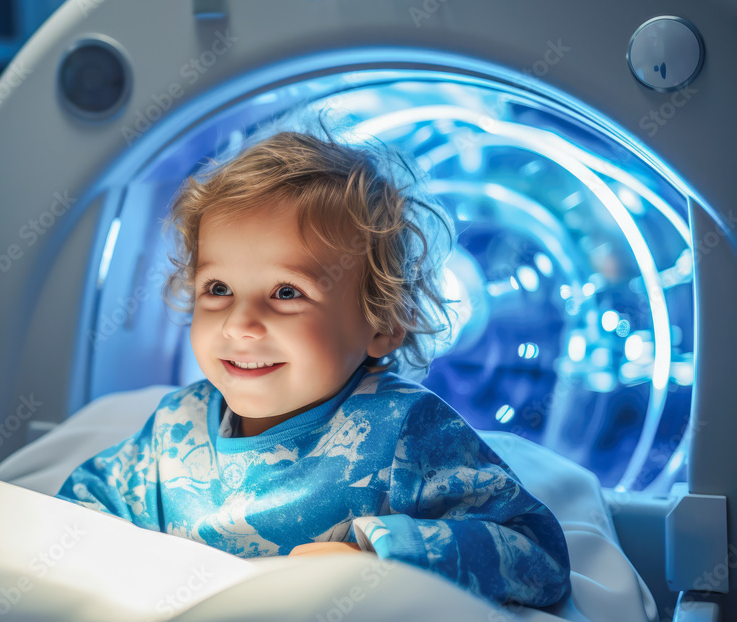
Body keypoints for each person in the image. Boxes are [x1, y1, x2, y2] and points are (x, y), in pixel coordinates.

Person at [56, 125, 572, 607]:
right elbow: (82, 507)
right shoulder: (175, 427)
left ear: (381, 324)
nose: (240, 324)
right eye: (218, 289)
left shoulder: (404, 429)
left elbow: (535, 551)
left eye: (286, 292)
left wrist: (378, 558)